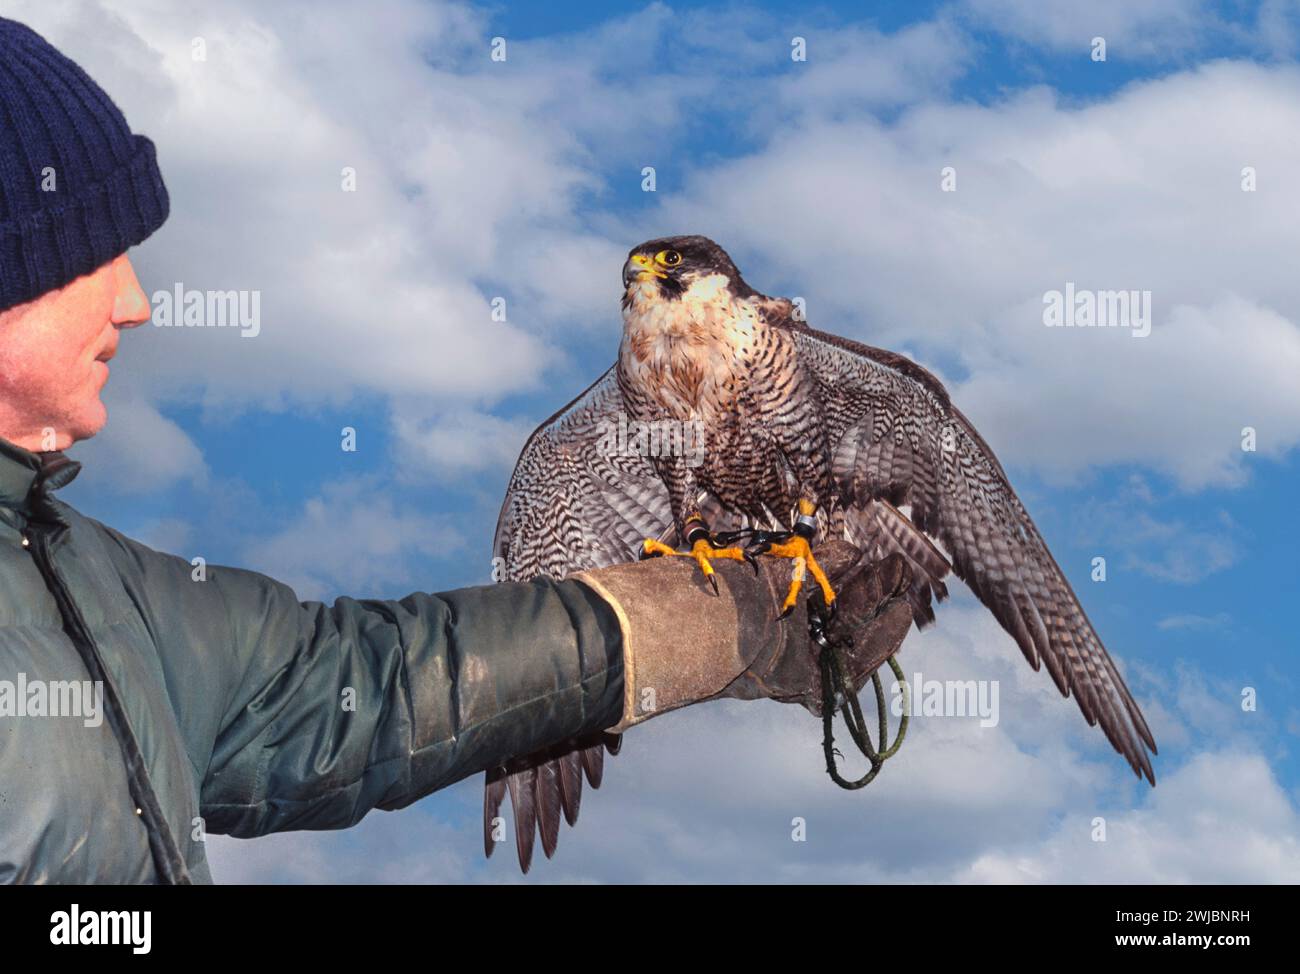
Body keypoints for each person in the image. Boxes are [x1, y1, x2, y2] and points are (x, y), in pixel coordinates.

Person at [0, 16, 912, 883]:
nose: (135, 301)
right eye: (93, 256)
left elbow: (353, 689)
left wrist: (683, 625)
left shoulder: (100, 588)